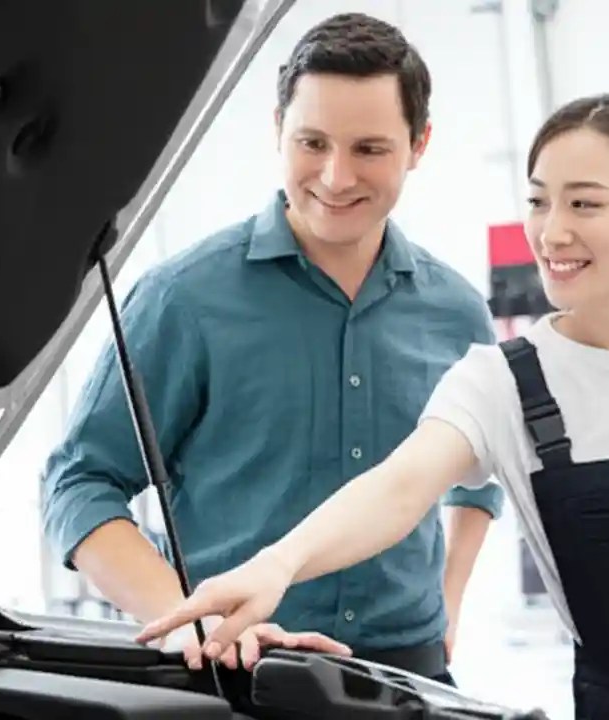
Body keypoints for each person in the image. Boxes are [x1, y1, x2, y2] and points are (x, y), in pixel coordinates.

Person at [136, 93, 609, 719]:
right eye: (540, 202)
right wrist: (279, 563)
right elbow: (399, 488)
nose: (553, 232)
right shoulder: (505, 381)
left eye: (585, 204)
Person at [41, 12, 505, 685]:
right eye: (312, 142)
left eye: (370, 149)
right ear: (277, 132)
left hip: (411, 676)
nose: (336, 177)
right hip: (231, 669)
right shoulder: (183, 298)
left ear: (419, 144)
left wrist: (450, 600)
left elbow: (479, 478)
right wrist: (185, 617)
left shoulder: (457, 312)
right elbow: (78, 483)